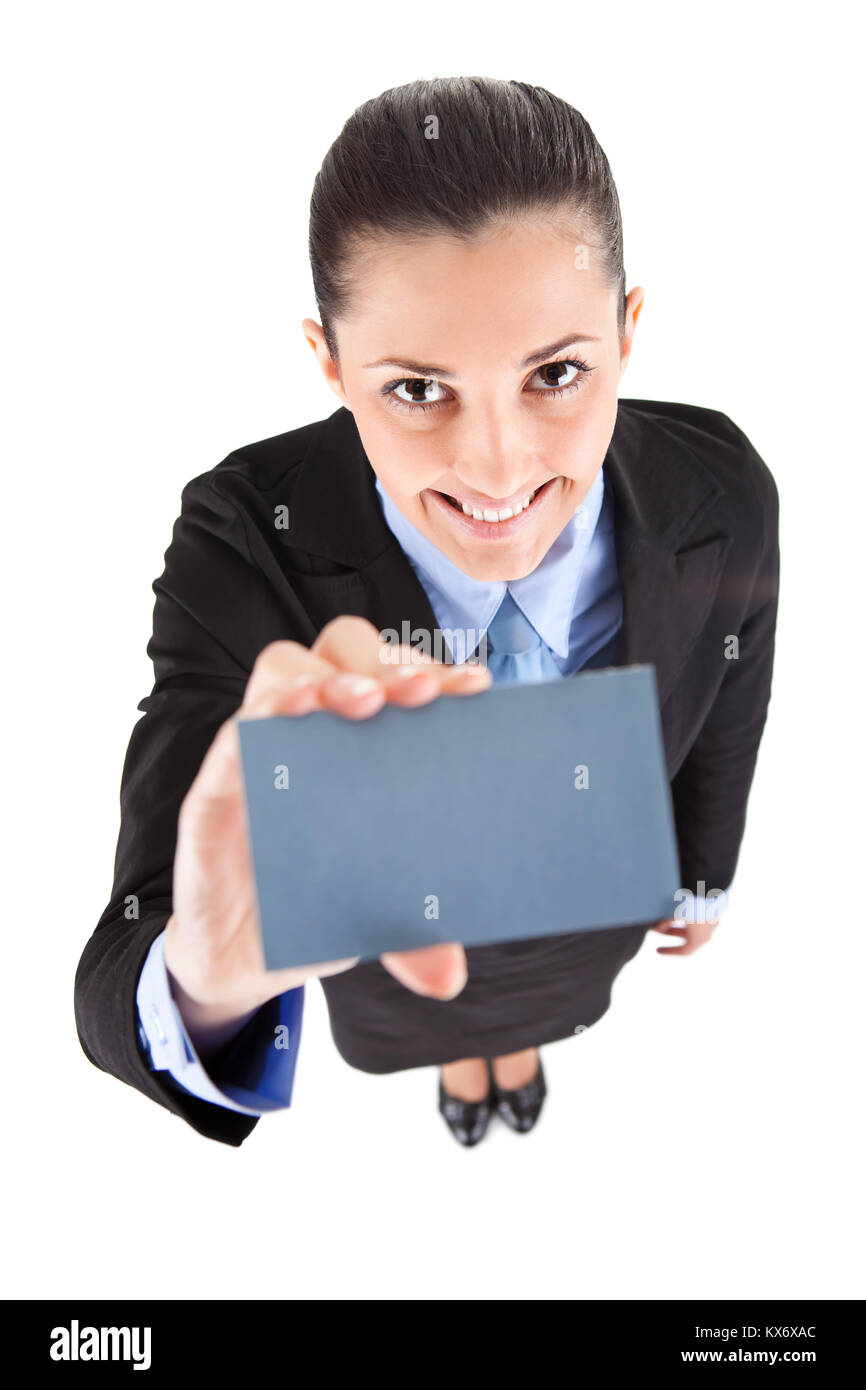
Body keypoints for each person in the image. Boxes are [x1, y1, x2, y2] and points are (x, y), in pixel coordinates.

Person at [74, 76, 779, 1149]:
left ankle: (518, 1051)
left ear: (626, 332)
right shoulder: (241, 535)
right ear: (330, 365)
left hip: (591, 902)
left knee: (536, 1005)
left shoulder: (721, 486)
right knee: (440, 1006)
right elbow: (140, 927)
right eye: (415, 388)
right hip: (398, 960)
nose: (496, 468)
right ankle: (461, 1062)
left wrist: (702, 872)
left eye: (556, 372)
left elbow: (731, 696)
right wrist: (201, 978)